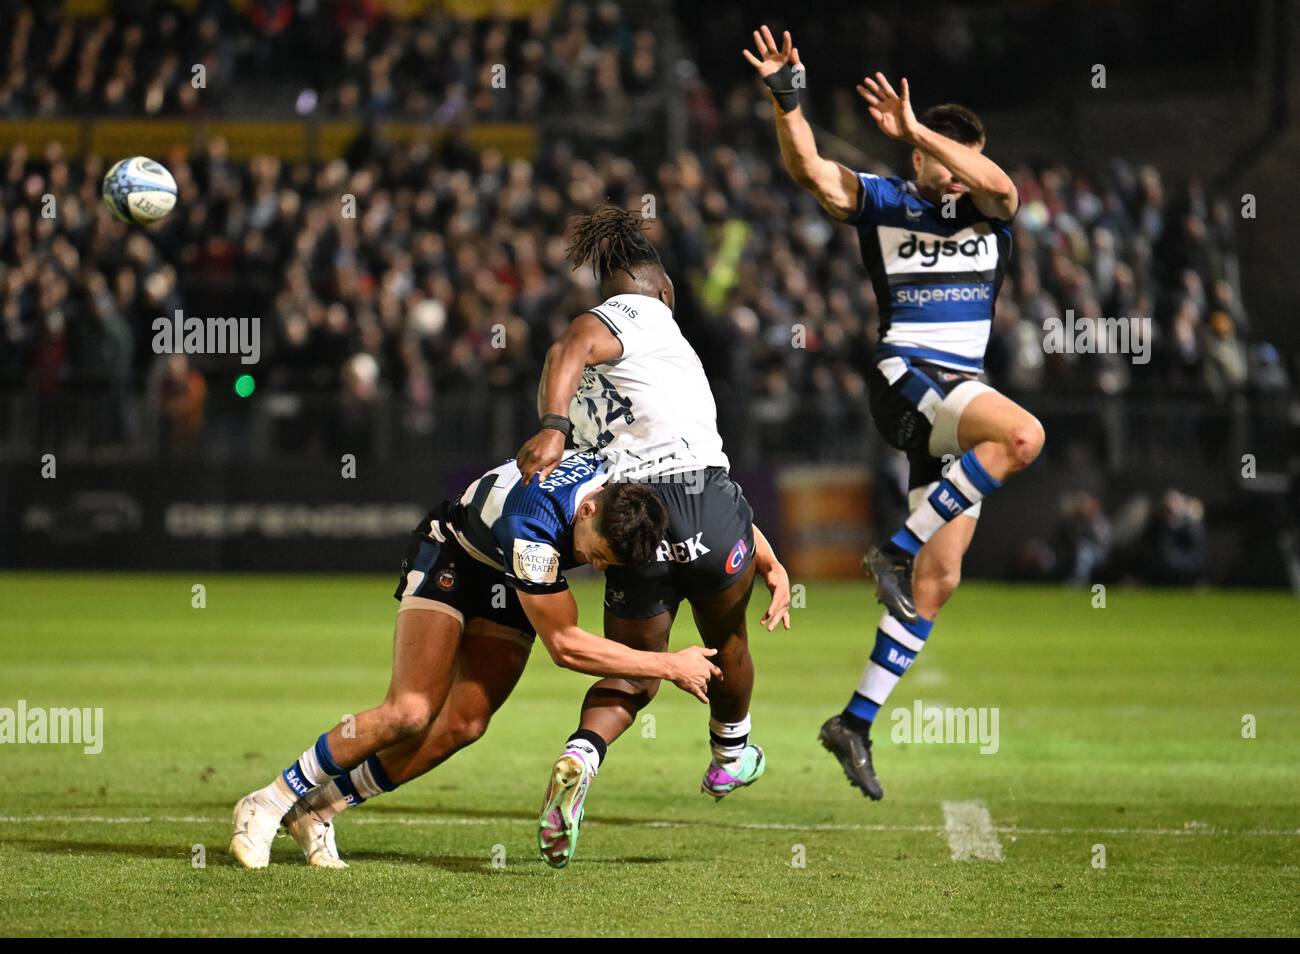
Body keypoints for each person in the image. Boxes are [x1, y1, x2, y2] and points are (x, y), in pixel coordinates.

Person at [746, 25, 1043, 798]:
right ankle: (891, 548)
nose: (946, 172)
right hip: (907, 377)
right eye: (931, 156)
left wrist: (920, 128)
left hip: (955, 410)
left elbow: (1004, 188)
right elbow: (809, 168)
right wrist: (789, 99)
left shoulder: (993, 212)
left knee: (938, 581)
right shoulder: (885, 202)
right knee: (1023, 434)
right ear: (914, 160)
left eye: (956, 157)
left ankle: (854, 721)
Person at [230, 451, 721, 868]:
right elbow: (566, 645)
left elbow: (711, 495)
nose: (597, 566)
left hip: (507, 577)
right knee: (411, 710)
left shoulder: (623, 472)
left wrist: (766, 557)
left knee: (464, 723)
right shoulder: (532, 525)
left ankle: (319, 809)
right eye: (599, 554)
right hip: (454, 556)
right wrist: (670, 665)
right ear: (588, 508)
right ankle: (268, 801)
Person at [515, 205, 792, 868]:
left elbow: (638, 440)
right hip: (702, 504)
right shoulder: (644, 315)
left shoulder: (591, 380)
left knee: (635, 672)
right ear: (664, 288)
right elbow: (574, 339)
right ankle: (730, 755)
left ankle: (582, 752)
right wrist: (552, 426)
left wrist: (557, 416)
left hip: (633, 518)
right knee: (726, 642)